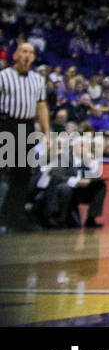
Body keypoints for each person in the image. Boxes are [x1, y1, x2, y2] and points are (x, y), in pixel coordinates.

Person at [0, 41, 52, 232]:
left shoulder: (38, 80)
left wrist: (47, 133)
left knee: (22, 175)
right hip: (5, 124)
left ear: (34, 57)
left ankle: (13, 218)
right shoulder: (3, 76)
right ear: (15, 55)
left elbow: (41, 107)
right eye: (23, 51)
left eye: (30, 52)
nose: (27, 55)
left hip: (27, 126)